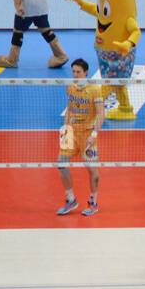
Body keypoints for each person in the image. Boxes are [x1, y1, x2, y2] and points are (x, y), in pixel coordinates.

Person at [54, 59, 104, 217]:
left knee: (92, 169)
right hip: (71, 132)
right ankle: (71, 199)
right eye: (73, 72)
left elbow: (101, 113)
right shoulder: (70, 87)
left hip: (88, 135)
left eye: (78, 72)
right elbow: (70, 108)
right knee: (61, 165)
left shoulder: (95, 90)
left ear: (86, 72)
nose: (75, 75)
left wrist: (94, 134)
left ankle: (93, 202)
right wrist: (65, 127)